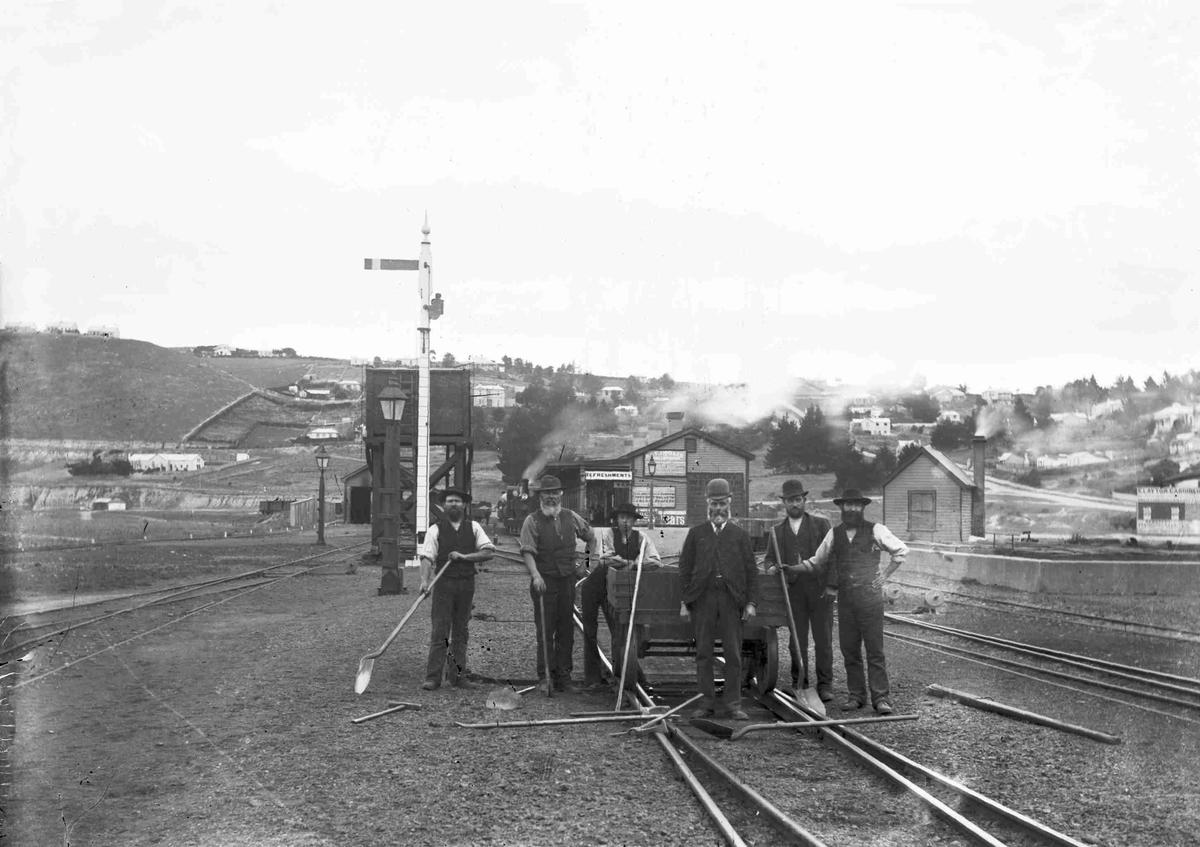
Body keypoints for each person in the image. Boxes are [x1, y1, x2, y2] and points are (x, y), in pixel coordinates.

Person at [802, 488, 908, 715]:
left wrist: (885, 575)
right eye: (847, 505)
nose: (851, 509)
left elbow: (900, 551)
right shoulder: (834, 534)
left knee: (874, 650)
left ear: (862, 507)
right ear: (841, 507)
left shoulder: (876, 530)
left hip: (870, 599)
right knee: (849, 649)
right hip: (846, 600)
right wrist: (795, 568)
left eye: (856, 505)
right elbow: (818, 560)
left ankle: (881, 698)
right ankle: (856, 696)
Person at [678, 478, 759, 721]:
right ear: (707, 503)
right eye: (714, 504)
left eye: (722, 503)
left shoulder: (740, 536)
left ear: (730, 503)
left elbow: (752, 572)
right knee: (703, 653)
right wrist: (685, 602)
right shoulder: (696, 534)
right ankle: (706, 703)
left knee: (733, 653)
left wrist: (751, 603)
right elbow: (684, 571)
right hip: (703, 600)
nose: (718, 509)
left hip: (731, 601)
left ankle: (733, 704)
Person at [519, 474, 594, 693]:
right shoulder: (532, 520)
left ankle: (564, 678)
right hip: (544, 582)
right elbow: (527, 551)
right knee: (545, 630)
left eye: (554, 492)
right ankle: (545, 678)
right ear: (540, 496)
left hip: (567, 581)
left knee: (566, 630)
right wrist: (536, 576)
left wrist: (585, 563)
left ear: (560, 494)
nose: (551, 497)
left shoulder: (571, 517)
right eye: (546, 493)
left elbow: (591, 537)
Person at [762, 479, 834, 703]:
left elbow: (833, 557)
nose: (794, 504)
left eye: (798, 499)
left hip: (819, 591)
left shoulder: (821, 525)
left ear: (804, 500)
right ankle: (800, 682)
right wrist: (772, 568)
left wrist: (831, 586)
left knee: (823, 640)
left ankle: (825, 685)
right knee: (796, 641)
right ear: (784, 503)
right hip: (793, 593)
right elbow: (768, 560)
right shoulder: (777, 531)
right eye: (790, 500)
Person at [418, 487, 495, 690]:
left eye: (457, 501)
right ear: (444, 505)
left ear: (464, 505)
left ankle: (457, 677)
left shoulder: (474, 527)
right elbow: (426, 557)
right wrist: (424, 581)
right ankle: (433, 677)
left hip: (466, 585)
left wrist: (464, 557)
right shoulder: (435, 529)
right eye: (450, 501)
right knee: (440, 630)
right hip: (443, 585)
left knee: (461, 631)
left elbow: (488, 552)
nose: (454, 504)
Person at [581, 502, 662, 691]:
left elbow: (655, 561)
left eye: (629, 518)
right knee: (590, 631)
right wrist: (631, 562)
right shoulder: (608, 534)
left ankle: (625, 674)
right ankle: (593, 678)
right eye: (622, 518)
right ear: (616, 520)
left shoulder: (642, 538)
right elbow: (606, 559)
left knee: (619, 631)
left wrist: (634, 564)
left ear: (634, 521)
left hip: (617, 588)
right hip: (595, 586)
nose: (625, 521)